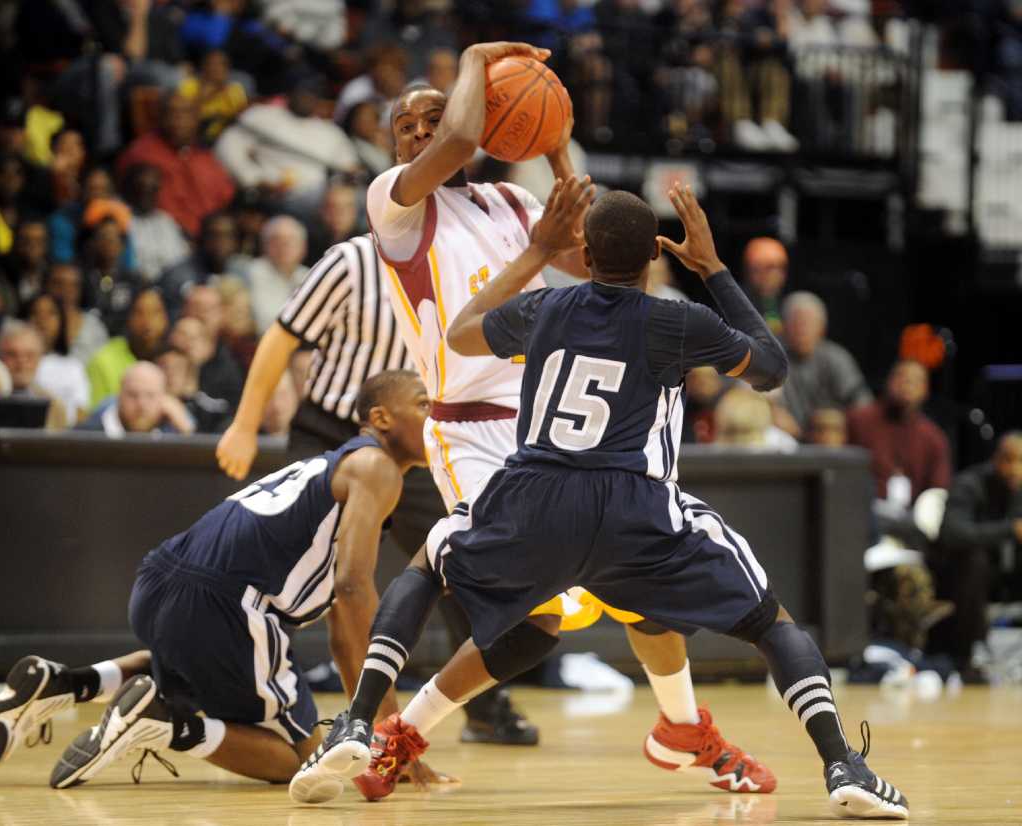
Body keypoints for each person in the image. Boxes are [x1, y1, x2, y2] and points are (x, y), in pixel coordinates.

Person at [293, 183, 909, 820]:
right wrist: (713, 269)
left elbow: (463, 334)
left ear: (584, 255)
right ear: (654, 258)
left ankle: (359, 721)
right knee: (770, 623)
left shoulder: (547, 307)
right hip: (633, 509)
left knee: (430, 564)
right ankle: (842, 763)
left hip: (535, 498)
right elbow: (772, 369)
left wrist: (535, 253)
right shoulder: (677, 320)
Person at [357, 41, 773, 798]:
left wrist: (553, 146)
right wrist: (476, 61)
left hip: (541, 424)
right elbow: (461, 139)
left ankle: (683, 727)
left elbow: (597, 261)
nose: (419, 131)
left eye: (430, 118)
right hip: (466, 426)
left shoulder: (511, 203)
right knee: (537, 610)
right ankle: (387, 731)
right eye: (405, 125)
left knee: (624, 583)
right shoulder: (396, 201)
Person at [0, 371, 441, 788]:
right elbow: (353, 589)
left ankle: (65, 682)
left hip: (161, 581)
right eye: (424, 404)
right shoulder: (377, 468)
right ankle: (166, 723)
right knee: (302, 762)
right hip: (230, 603)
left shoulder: (330, 470)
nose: (437, 415)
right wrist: (390, 740)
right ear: (381, 417)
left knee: (198, 666)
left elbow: (345, 632)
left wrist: (379, 733)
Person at [217, 237, 533, 746]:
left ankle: (480, 705)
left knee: (461, 558)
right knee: (316, 575)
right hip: (333, 431)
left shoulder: (458, 260)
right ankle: (271, 695)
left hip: (416, 434)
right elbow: (283, 335)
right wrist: (245, 423)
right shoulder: (352, 260)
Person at [929, 432, 1022, 681]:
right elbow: (952, 533)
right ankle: (967, 656)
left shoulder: (1018, 490)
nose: (1015, 469)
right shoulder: (969, 484)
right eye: (1010, 460)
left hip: (1004, 570)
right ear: (996, 459)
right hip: (954, 573)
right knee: (974, 561)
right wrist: (1010, 530)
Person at [215, 76, 360, 218]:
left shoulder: (329, 131)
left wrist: (346, 180)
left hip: (316, 200)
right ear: (290, 92)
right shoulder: (262, 115)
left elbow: (349, 167)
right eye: (302, 92)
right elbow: (227, 147)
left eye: (312, 94)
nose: (307, 98)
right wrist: (254, 179)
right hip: (269, 195)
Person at [116, 93, 235, 237]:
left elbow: (226, 200)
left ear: (196, 119)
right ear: (160, 117)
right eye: (172, 112)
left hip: (208, 241)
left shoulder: (207, 159)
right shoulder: (141, 154)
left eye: (185, 113)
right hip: (158, 238)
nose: (179, 119)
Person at [847, 360, 951, 503]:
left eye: (915, 381)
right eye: (901, 377)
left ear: (925, 390)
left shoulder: (933, 438)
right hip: (862, 507)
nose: (907, 384)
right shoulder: (858, 420)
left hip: (912, 513)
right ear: (888, 381)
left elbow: (937, 492)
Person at [775, 290, 872, 436]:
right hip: (784, 438)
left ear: (822, 328)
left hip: (831, 437)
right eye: (796, 322)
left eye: (808, 323)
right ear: (784, 327)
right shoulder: (772, 356)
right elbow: (748, 396)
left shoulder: (837, 358)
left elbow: (863, 404)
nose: (801, 329)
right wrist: (772, 412)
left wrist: (839, 420)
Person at [86, 287, 169, 407]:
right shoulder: (103, 361)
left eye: (156, 312)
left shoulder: (176, 362)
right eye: (139, 313)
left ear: (166, 318)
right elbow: (98, 414)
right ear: (128, 318)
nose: (147, 322)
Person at [22, 293, 90, 425]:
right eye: (35, 313)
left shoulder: (73, 368)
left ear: (61, 321)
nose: (42, 320)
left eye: (51, 313)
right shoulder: (12, 361)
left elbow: (81, 414)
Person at [120, 163, 191, 283]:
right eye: (142, 188)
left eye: (152, 189)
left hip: (170, 285)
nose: (147, 193)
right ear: (132, 188)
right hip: (134, 284)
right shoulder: (122, 219)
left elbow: (179, 260)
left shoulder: (166, 221)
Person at [77, 360, 188, 436]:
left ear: (163, 398)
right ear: (119, 396)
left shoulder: (173, 431)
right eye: (133, 395)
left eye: (150, 395)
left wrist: (186, 431)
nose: (141, 404)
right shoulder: (84, 435)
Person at [0, 320, 68, 430]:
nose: (21, 362)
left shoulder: (54, 406)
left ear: (40, 358)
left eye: (29, 356)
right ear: (0, 357)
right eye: (12, 354)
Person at [247, 216, 310, 335]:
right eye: (276, 240)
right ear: (264, 245)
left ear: (303, 247)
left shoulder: (310, 276)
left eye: (291, 240)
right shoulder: (251, 273)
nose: (284, 245)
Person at [45, 263, 110, 365]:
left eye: (73, 285)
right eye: (59, 283)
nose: (66, 290)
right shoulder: (36, 322)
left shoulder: (94, 326)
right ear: (47, 285)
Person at [741, 237, 789, 335]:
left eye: (779, 268)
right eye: (757, 269)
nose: (769, 275)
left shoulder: (788, 304)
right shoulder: (737, 303)